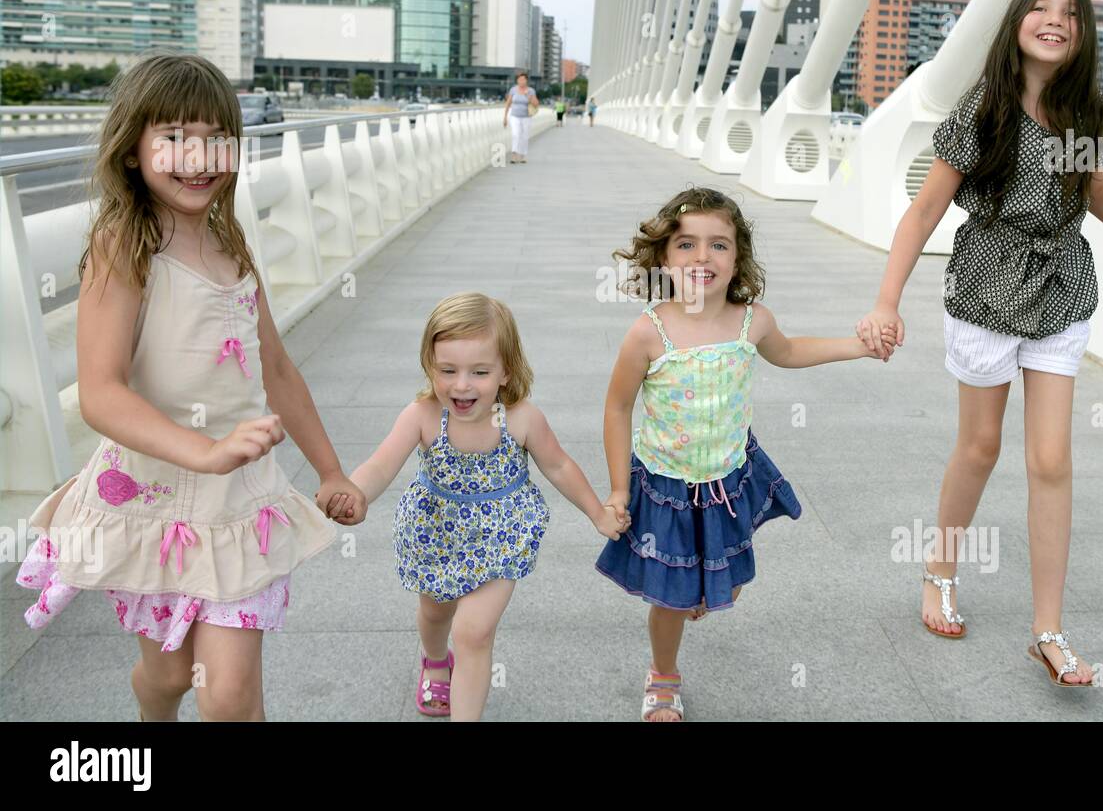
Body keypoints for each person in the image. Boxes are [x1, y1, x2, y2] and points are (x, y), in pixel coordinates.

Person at [855, 0, 1103, 686]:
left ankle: (1048, 630)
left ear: (1082, 35)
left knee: (1051, 461)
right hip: (987, 284)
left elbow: (1096, 192)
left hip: (1061, 286)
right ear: (1017, 20)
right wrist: (886, 301)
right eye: (1041, 8)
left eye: (1070, 13)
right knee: (981, 447)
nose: (1055, 19)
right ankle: (940, 569)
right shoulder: (984, 108)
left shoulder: (1083, 113)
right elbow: (924, 211)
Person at [14, 52, 359, 720]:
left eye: (214, 138)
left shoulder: (232, 245)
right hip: (151, 497)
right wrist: (200, 449)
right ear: (134, 150)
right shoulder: (125, 246)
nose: (197, 156)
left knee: (227, 696)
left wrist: (331, 469)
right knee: (168, 677)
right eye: (173, 137)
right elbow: (103, 393)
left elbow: (277, 368)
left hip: (237, 502)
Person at [597, 187, 896, 720]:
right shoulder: (649, 332)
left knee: (708, 581)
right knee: (670, 595)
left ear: (738, 258)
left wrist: (858, 346)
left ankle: (699, 588)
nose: (702, 257)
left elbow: (790, 351)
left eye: (719, 245)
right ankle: (663, 675)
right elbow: (617, 408)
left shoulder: (751, 320)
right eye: (686, 245)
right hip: (665, 485)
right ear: (664, 256)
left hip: (726, 479)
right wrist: (619, 489)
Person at [319, 292, 628, 721]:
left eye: (479, 372)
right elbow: (379, 465)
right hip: (436, 532)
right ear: (430, 366)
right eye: (448, 370)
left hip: (501, 537)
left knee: (474, 633)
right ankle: (434, 661)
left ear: (505, 371)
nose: (462, 385)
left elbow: (558, 465)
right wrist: (355, 493)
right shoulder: (423, 415)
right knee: (435, 612)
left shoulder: (520, 418)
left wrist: (597, 512)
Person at [502, 71, 539, 163]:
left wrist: (528, 95)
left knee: (524, 136)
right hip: (514, 116)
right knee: (516, 134)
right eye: (519, 79)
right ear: (517, 80)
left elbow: (536, 104)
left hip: (526, 116)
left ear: (526, 81)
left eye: (523, 79)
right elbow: (508, 103)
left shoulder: (531, 90)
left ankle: (522, 156)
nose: (521, 81)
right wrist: (505, 117)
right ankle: (514, 155)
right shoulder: (513, 89)